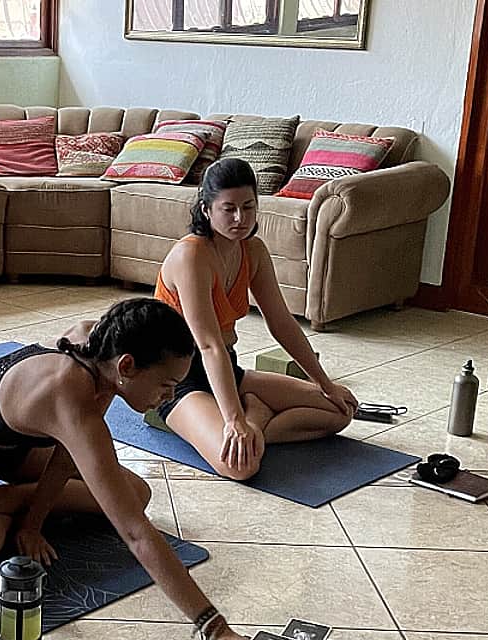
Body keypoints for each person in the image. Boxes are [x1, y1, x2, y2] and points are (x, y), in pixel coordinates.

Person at [0, 297, 288, 640]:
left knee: (135, 494)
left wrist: (33, 525)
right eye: (166, 385)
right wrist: (218, 631)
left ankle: (1, 498)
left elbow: (66, 455)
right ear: (127, 366)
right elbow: (135, 534)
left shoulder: (100, 345)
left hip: (10, 451)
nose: (168, 398)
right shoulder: (70, 396)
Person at [154, 158, 359, 480]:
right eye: (229, 208)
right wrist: (234, 419)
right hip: (177, 381)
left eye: (249, 207)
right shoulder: (190, 255)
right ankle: (252, 416)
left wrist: (325, 383)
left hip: (226, 371)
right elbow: (208, 346)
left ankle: (256, 421)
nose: (240, 218)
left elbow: (282, 323)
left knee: (339, 412)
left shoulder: (254, 251)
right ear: (206, 209)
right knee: (241, 466)